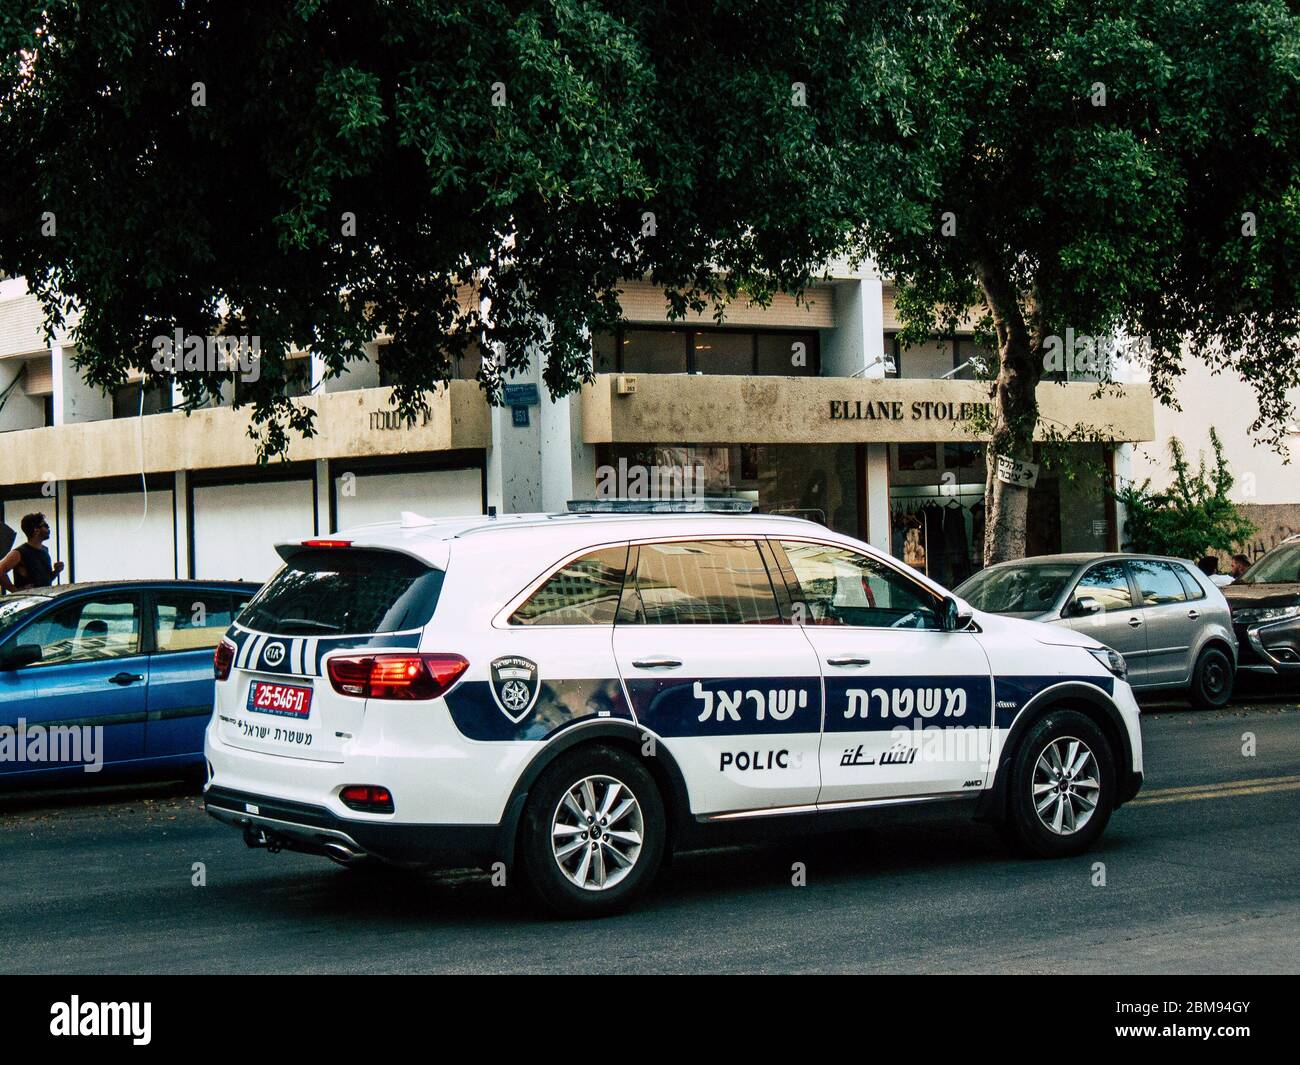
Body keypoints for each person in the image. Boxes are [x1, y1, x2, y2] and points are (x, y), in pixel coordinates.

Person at [0, 513, 64, 592]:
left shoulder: (45, 550)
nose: (49, 529)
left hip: (44, 599)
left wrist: (56, 571)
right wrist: (15, 591)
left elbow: (44, 581)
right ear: (36, 530)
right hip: (29, 602)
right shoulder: (19, 553)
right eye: (46, 526)